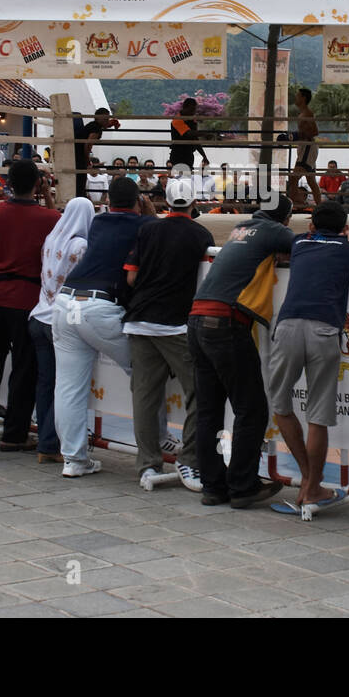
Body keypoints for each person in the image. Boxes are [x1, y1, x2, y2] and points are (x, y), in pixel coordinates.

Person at [189, 195, 296, 508]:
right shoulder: (273, 231)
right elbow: (303, 246)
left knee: (209, 410)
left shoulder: (241, 227)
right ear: (285, 219)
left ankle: (213, 487)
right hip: (227, 322)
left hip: (197, 318)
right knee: (251, 409)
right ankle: (243, 486)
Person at [51, 177, 155, 477]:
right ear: (138, 201)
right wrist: (148, 212)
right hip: (101, 307)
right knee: (146, 373)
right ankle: (159, 444)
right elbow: (155, 231)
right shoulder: (144, 226)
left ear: (108, 201)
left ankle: (73, 459)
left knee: (69, 388)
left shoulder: (97, 223)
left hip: (66, 300)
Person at [268, 201, 349, 510]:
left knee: (280, 405)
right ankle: (312, 486)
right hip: (325, 328)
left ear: (311, 226)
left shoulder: (299, 242)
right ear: (345, 228)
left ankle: (308, 478)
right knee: (318, 416)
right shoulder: (347, 246)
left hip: (288, 325)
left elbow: (286, 244)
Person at [123, 177, 214, 492]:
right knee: (199, 392)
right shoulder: (201, 235)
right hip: (175, 325)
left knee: (145, 398)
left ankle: (148, 465)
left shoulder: (147, 229)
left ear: (165, 202)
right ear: (193, 204)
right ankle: (189, 461)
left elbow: (131, 277)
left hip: (138, 321)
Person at [0, 160, 61, 450]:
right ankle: (14, 432)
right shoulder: (48, 218)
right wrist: (46, 194)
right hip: (27, 295)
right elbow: (55, 218)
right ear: (37, 184)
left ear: (8, 183)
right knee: (24, 365)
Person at [28, 197, 94, 464]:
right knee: (65, 386)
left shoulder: (52, 238)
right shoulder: (81, 245)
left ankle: (47, 443)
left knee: (46, 383)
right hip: (62, 319)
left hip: (40, 314)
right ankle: (50, 441)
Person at [287, 87, 323, 205]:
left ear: (303, 98)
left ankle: (295, 204)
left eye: (298, 95)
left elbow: (315, 131)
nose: (296, 98)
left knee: (293, 178)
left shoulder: (307, 113)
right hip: (304, 147)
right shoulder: (302, 113)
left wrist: (297, 136)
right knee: (311, 180)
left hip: (308, 147)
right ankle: (320, 209)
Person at [72, 109, 118, 199]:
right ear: (98, 119)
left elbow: (105, 125)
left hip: (75, 153)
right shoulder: (96, 129)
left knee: (79, 181)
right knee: (80, 182)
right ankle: (79, 199)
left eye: (108, 119)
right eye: (105, 119)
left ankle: (78, 198)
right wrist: (87, 161)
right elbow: (87, 145)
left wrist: (113, 123)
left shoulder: (94, 125)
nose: (107, 121)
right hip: (79, 156)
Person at [168, 97, 210, 174]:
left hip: (189, 155)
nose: (194, 112)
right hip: (178, 155)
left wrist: (204, 156)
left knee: (187, 179)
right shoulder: (177, 120)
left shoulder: (192, 120)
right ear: (185, 108)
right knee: (179, 179)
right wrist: (205, 133)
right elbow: (189, 133)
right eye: (192, 109)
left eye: (194, 109)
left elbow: (195, 139)